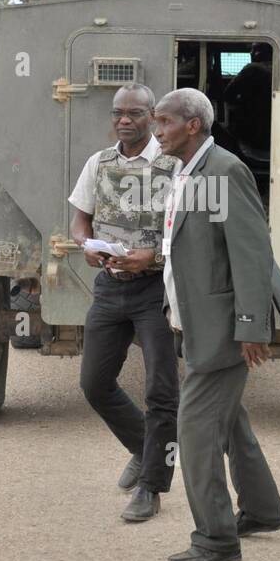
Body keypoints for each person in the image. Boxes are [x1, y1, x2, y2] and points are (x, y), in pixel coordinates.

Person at [153, 87, 280, 561]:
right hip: (196, 322)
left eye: (165, 122)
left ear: (192, 125)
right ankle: (261, 511)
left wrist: (250, 326)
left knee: (194, 432)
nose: (158, 131)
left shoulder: (225, 170)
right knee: (232, 424)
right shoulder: (187, 172)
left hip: (221, 329)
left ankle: (215, 540)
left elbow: (251, 252)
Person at [68, 84, 180, 522]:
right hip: (111, 286)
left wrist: (154, 255)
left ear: (152, 116)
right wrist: (85, 245)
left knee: (161, 392)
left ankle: (151, 486)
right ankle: (143, 446)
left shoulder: (174, 165)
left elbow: (191, 230)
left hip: (157, 290)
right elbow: (80, 219)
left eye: (134, 113)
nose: (124, 120)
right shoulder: (99, 163)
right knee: (94, 384)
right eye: (118, 113)